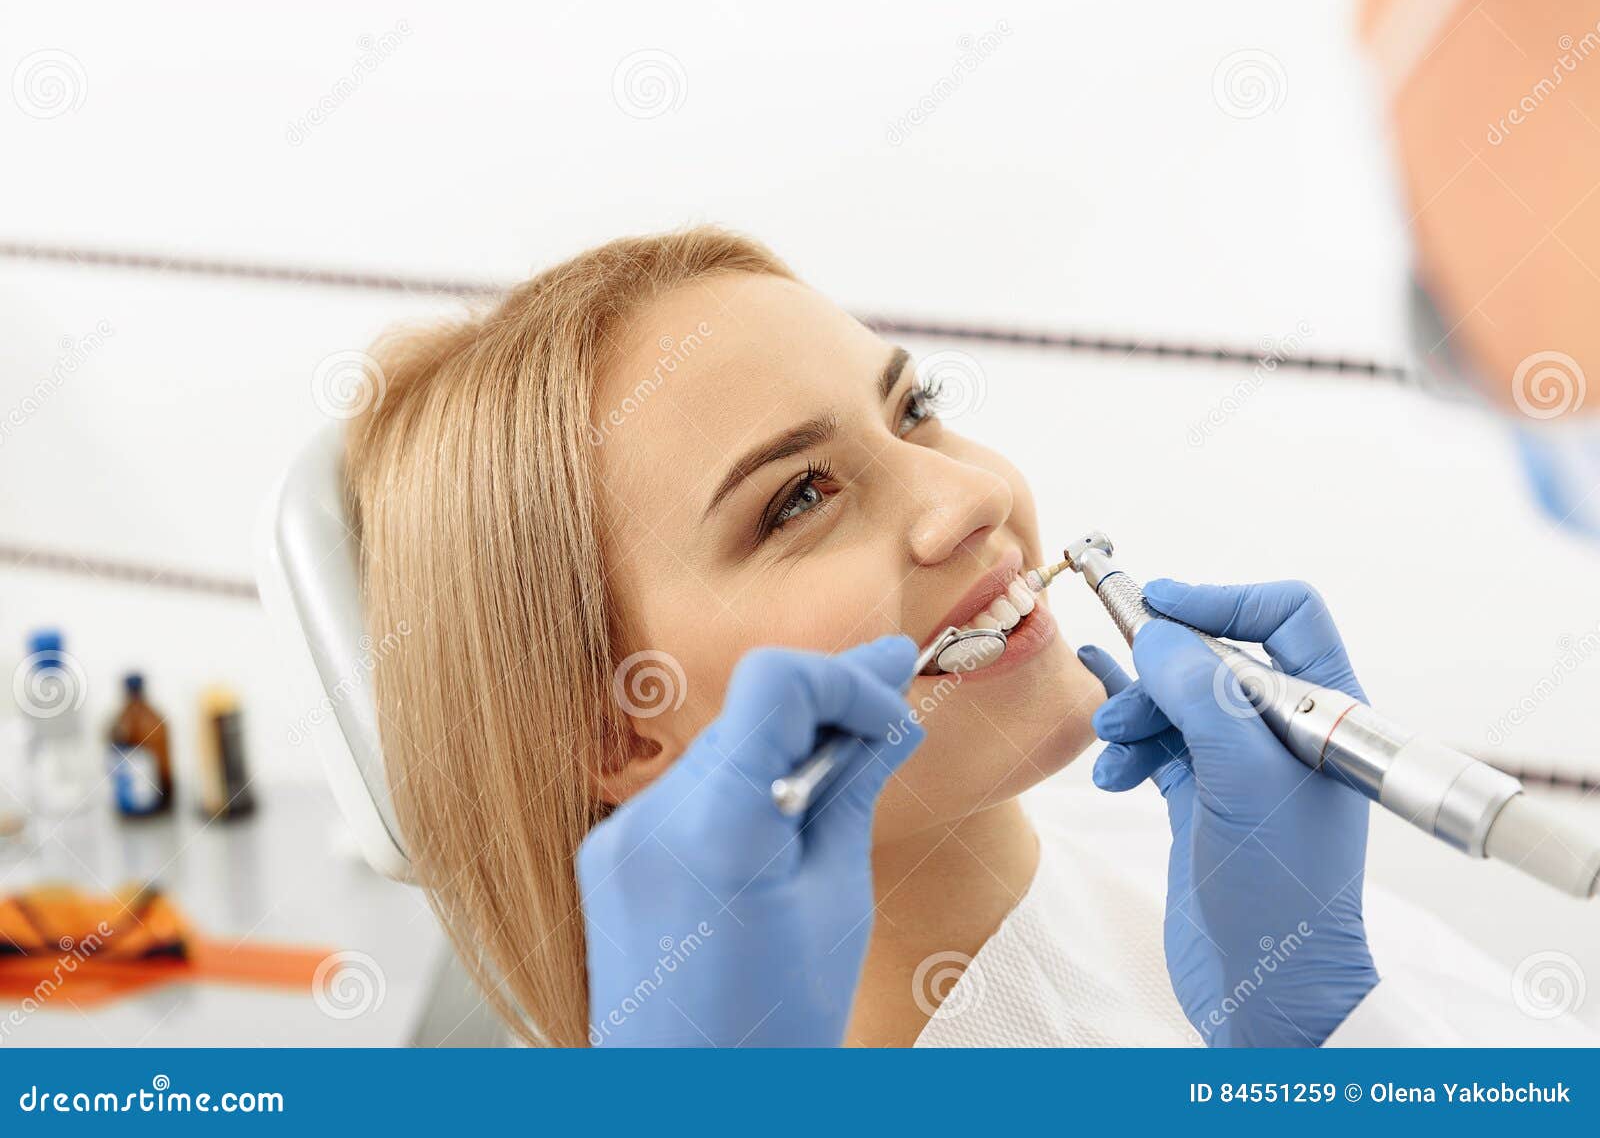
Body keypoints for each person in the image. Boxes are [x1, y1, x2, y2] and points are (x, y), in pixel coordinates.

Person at [345, 227, 1590, 1046]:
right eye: (798, 499)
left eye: (915, 409)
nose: (970, 497)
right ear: (618, 721)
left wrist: (1308, 1021)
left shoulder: (1144, 849)